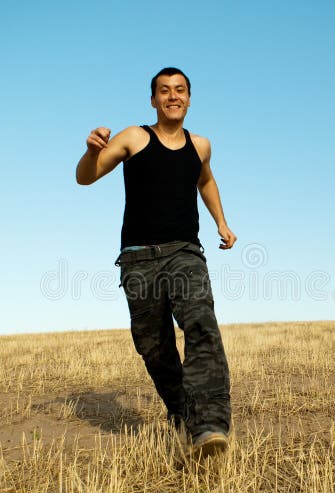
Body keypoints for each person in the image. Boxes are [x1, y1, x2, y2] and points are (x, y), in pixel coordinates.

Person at [75, 67, 236, 458]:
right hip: (138, 258)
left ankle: (211, 424)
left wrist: (222, 222)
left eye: (180, 90)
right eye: (164, 91)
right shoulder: (134, 137)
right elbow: (85, 177)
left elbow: (205, 181)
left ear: (189, 98)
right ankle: (183, 415)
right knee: (153, 345)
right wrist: (92, 150)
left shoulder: (200, 146)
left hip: (185, 251)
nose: (172, 96)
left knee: (200, 323)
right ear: (153, 100)